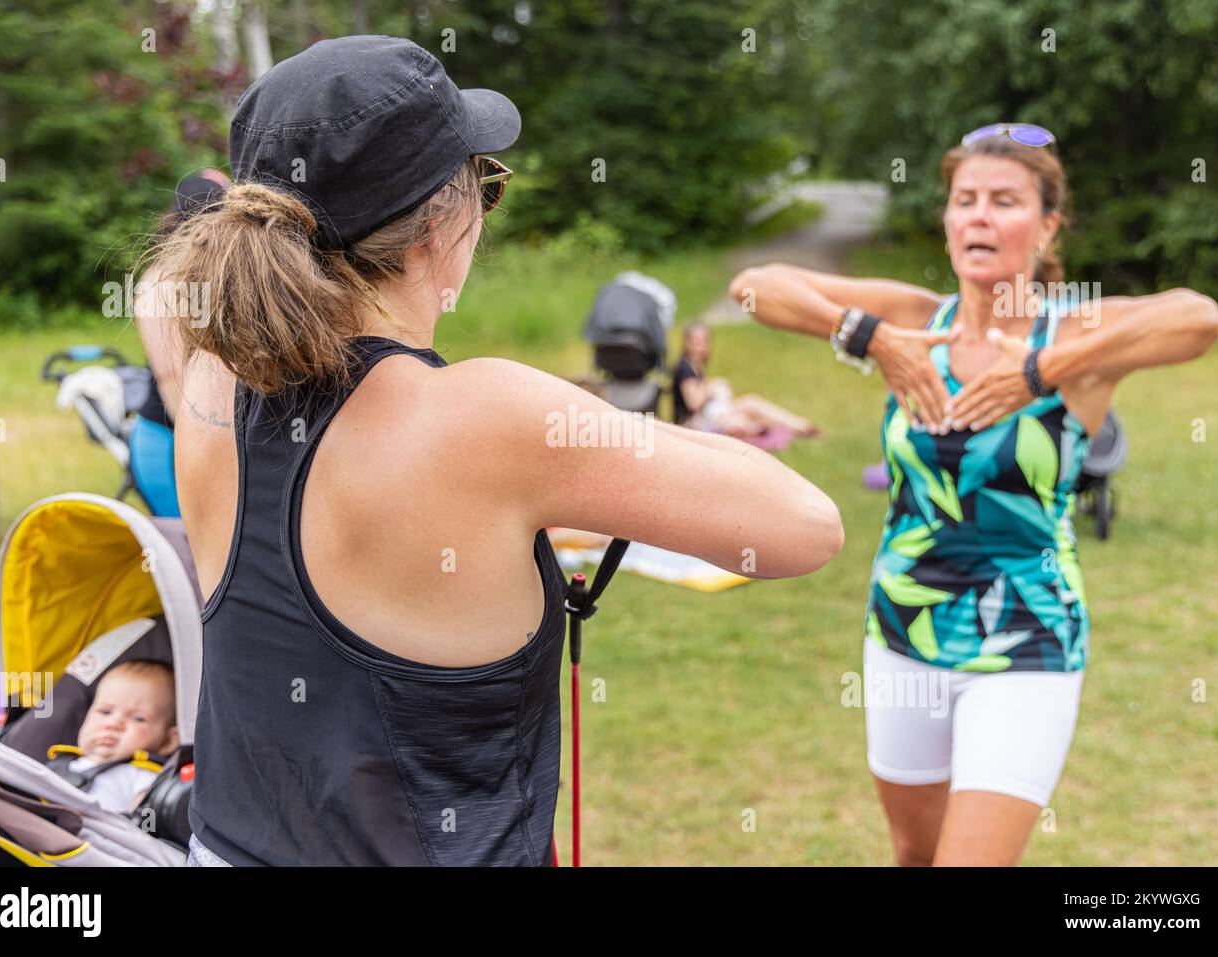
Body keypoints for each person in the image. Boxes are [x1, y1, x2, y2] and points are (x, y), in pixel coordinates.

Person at [147, 36, 844, 866]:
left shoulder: (211, 378)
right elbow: (807, 525)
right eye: (487, 185)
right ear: (438, 225)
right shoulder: (488, 417)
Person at [730, 123, 1218, 866]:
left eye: (1005, 200)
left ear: (1048, 223)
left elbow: (1200, 317)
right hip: (903, 629)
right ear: (947, 219)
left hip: (1026, 638)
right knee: (911, 854)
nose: (980, 217)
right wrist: (867, 336)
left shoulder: (1074, 334)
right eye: (965, 200)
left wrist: (1046, 369)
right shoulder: (912, 317)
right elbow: (755, 286)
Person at [130, 169, 232, 517]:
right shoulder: (161, 280)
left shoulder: (216, 276)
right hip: (166, 440)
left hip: (195, 437)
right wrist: (199, 446)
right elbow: (171, 376)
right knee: (187, 558)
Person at [59, 661, 179, 814]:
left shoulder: (143, 777)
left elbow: (146, 824)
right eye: (105, 712)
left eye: (138, 718)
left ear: (167, 741)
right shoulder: (63, 763)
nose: (114, 724)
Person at [672, 322, 820, 438]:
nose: (700, 347)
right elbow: (694, 403)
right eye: (696, 342)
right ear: (687, 343)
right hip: (693, 424)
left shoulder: (696, 367)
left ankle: (797, 425)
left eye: (704, 342)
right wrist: (712, 386)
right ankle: (788, 426)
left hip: (708, 416)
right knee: (744, 416)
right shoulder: (685, 368)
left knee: (751, 403)